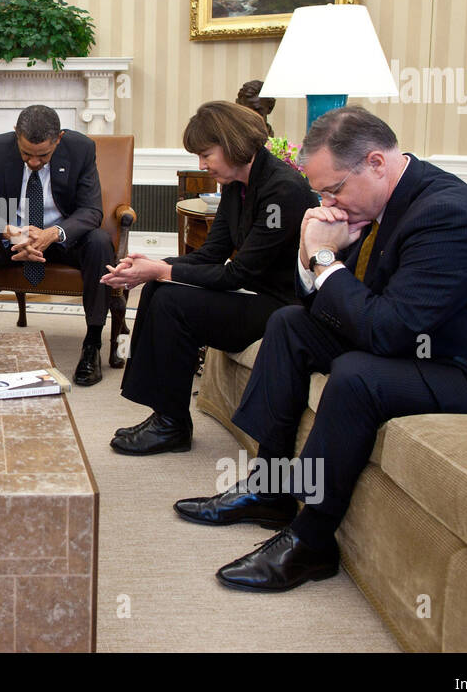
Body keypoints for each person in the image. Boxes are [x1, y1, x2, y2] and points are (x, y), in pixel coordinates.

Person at [176, 106, 467, 592]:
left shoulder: (446, 215)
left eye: (333, 189)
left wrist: (324, 257)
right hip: (433, 345)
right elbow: (337, 307)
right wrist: (308, 255)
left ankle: (312, 542)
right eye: (321, 193)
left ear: (376, 163)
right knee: (290, 325)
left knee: (358, 376)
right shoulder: (384, 202)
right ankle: (270, 488)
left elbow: (386, 332)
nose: (327, 203)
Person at [104, 101, 317, 454]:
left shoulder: (283, 190)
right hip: (252, 293)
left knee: (172, 300)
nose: (201, 165)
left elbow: (237, 273)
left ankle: (171, 425)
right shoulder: (236, 185)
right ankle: (166, 415)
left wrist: (161, 269)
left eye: (206, 155)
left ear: (232, 144)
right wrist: (153, 266)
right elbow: (209, 254)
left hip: (280, 306)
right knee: (159, 287)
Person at [0, 105, 115, 386]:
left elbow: (91, 211)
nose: (33, 162)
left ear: (59, 139)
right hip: (15, 240)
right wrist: (14, 234)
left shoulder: (81, 149)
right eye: (26, 154)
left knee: (100, 242)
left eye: (43, 155)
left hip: (61, 239)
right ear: (16, 135)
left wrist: (52, 234)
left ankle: (92, 344)